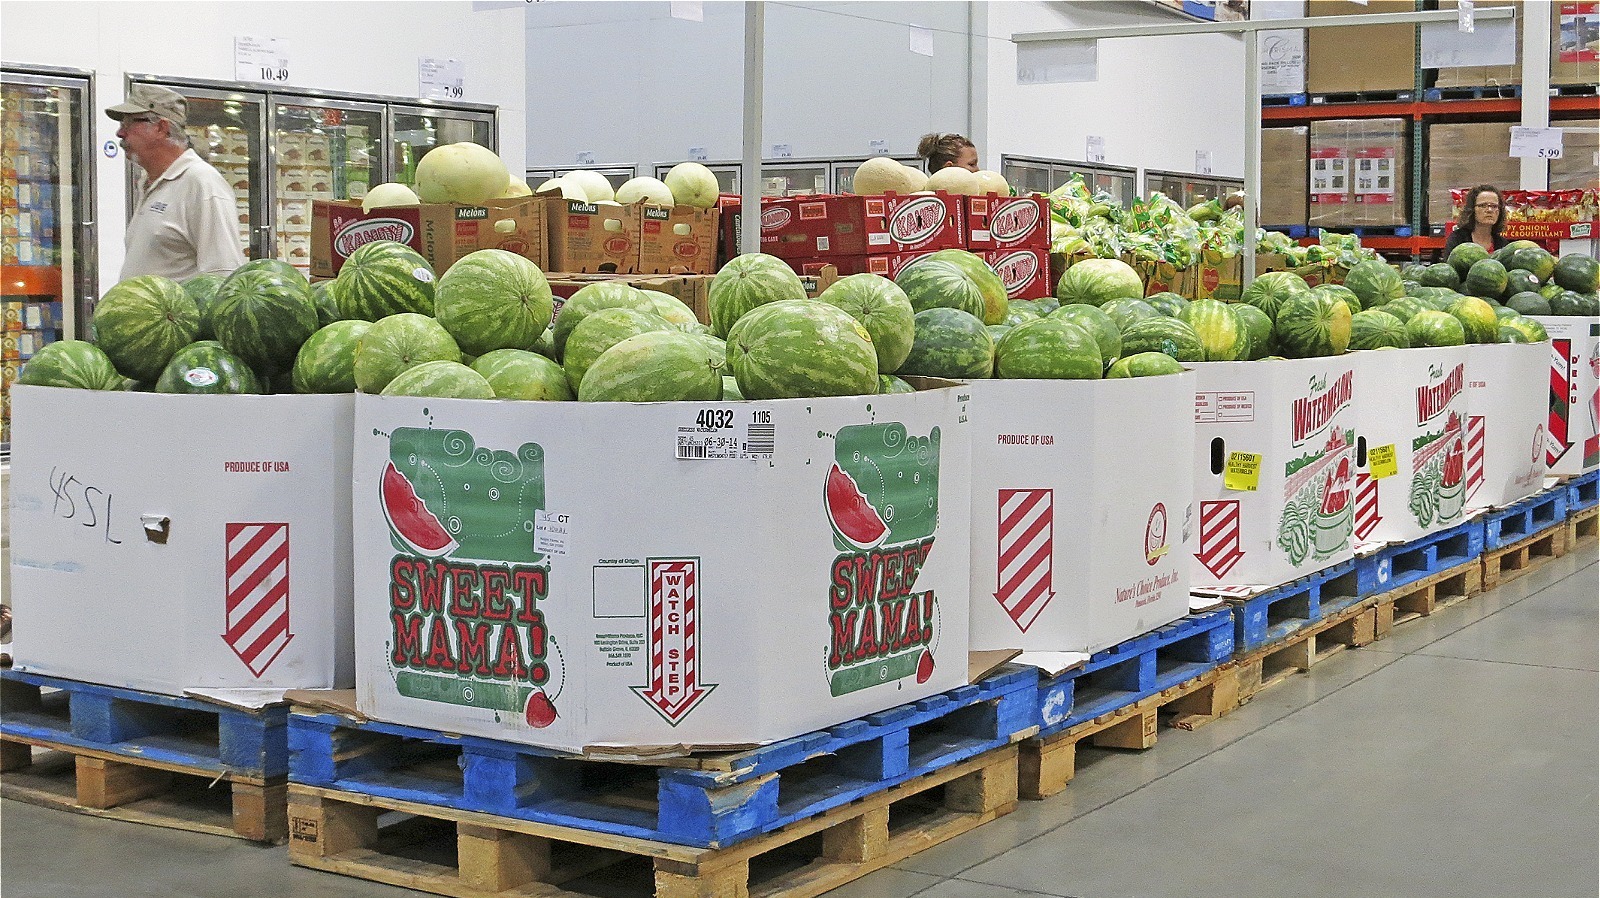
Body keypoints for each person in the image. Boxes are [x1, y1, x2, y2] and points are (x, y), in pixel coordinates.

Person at [107, 84, 246, 281]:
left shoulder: (202, 183)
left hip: (177, 313)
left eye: (128, 124)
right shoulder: (150, 182)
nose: (120, 133)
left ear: (161, 128)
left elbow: (223, 274)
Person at [1444, 184, 1509, 254]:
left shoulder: (1502, 244)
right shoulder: (1457, 239)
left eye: (1494, 206)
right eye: (1483, 205)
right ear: (1472, 209)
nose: (1489, 210)